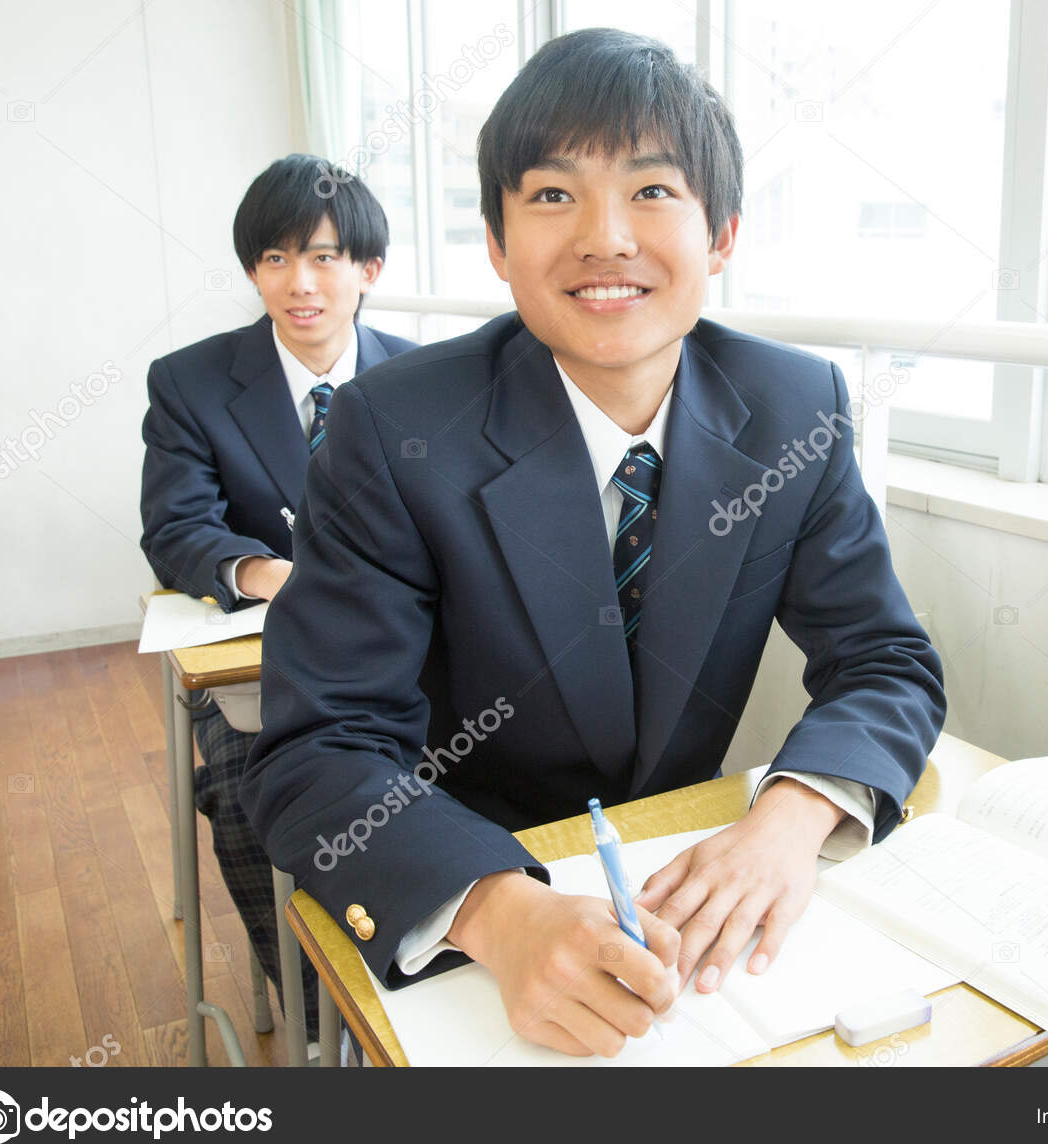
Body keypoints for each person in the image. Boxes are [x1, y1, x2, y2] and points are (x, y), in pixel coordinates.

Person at [241, 29, 945, 1059]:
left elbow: (885, 661)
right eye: (553, 196)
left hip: (684, 919)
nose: (606, 238)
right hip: (468, 906)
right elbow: (317, 749)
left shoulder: (795, 405)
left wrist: (789, 819)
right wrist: (499, 910)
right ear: (496, 242)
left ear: (723, 235)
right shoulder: (394, 429)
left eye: (653, 191)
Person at [139, 154, 418, 1043]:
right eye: (274, 259)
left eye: (326, 257)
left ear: (369, 269)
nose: (300, 284)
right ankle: (319, 1020)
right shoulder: (190, 382)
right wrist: (268, 572)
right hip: (263, 666)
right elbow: (176, 528)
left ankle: (413, 993)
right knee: (247, 796)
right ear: (253, 270)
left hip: (406, 662)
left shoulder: (425, 380)